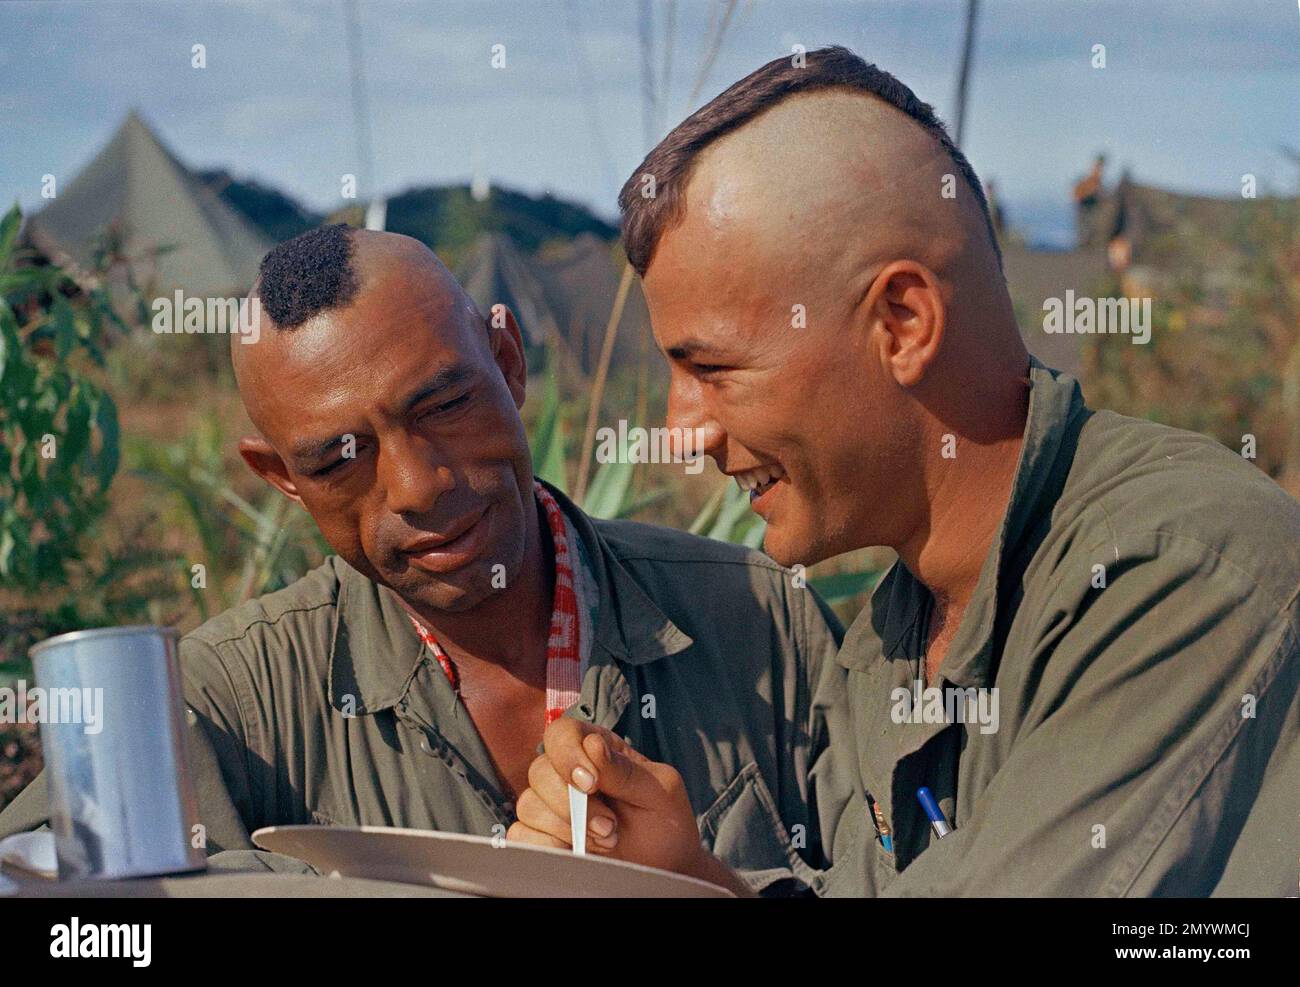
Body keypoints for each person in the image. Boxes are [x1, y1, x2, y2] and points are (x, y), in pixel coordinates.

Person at [508, 46, 1300, 897]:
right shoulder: (889, 635)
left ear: (902, 322)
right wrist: (685, 877)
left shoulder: (1173, 568)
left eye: (715, 370)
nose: (682, 430)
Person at [0, 225, 844, 892]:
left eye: (442, 405)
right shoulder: (227, 702)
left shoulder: (767, 623)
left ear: (508, 364)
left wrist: (702, 887)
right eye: (338, 459)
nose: (414, 486)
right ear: (281, 478)